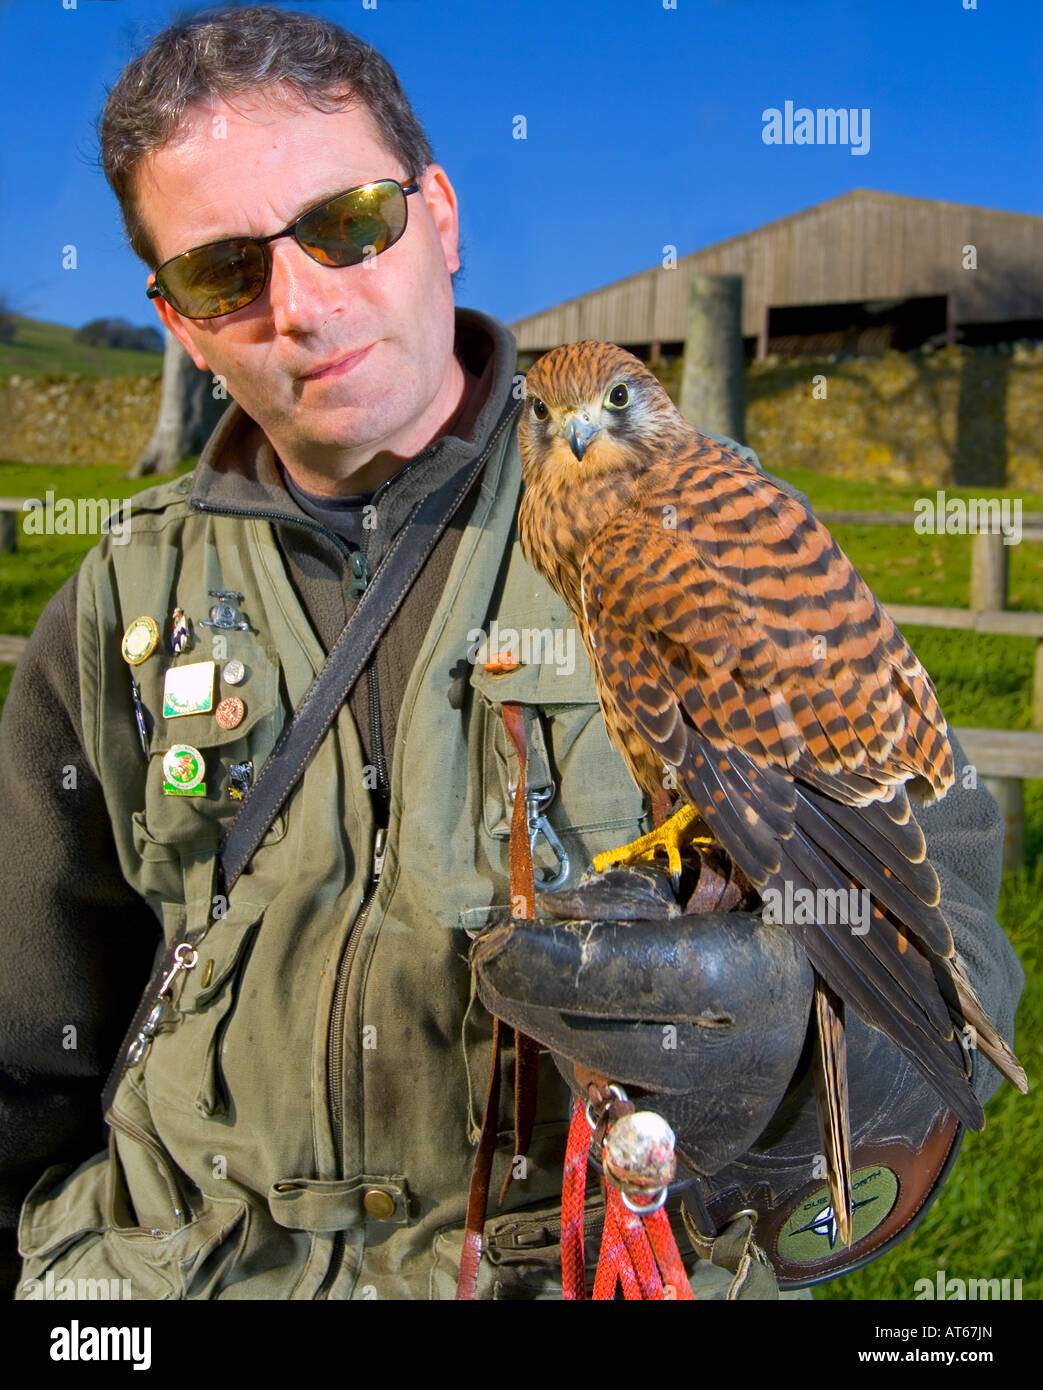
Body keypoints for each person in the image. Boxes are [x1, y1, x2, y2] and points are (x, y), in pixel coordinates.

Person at [0, 5, 1024, 1302]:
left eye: (348, 222)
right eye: (221, 272)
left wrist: (803, 1064)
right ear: (178, 320)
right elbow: (28, 1043)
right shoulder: (121, 592)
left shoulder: (715, 525)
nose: (303, 304)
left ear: (439, 213)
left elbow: (952, 940)